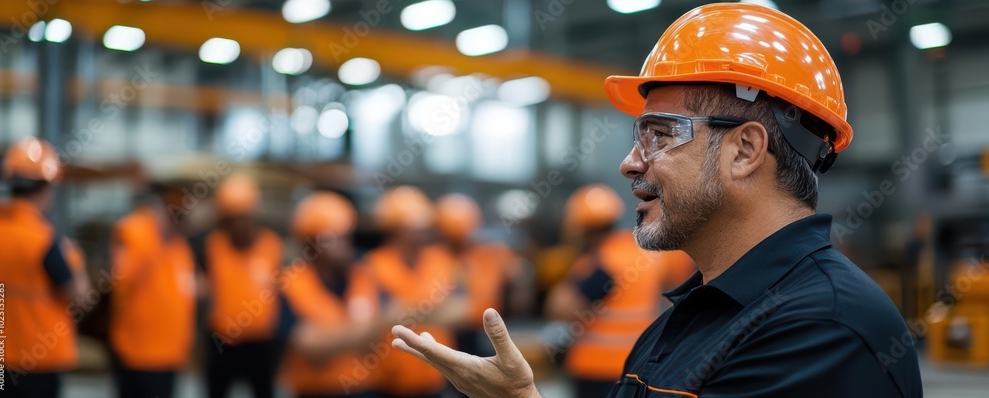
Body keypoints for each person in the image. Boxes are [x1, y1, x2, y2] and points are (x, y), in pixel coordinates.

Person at [388, 3, 923, 397]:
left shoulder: (822, 330)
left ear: (745, 151)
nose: (629, 163)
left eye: (659, 135)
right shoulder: (690, 319)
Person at [544, 184, 694, 397]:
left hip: (596, 368)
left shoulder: (601, 264)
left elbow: (559, 310)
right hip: (637, 364)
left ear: (580, 228)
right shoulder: (640, 253)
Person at [0, 137, 88, 398]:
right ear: (46, 188)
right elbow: (79, 296)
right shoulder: (44, 242)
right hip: (39, 360)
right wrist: (75, 258)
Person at [280, 191, 385, 398]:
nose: (347, 243)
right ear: (313, 242)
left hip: (366, 389)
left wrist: (334, 339)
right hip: (315, 391)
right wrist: (363, 333)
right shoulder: (292, 283)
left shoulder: (363, 276)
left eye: (348, 236)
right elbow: (309, 348)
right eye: (338, 237)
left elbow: (379, 340)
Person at [365, 186, 466, 398]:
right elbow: (379, 319)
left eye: (423, 223)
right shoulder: (373, 265)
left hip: (438, 374)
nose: (422, 229)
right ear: (394, 228)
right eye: (412, 224)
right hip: (387, 380)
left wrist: (403, 311)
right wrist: (435, 310)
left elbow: (461, 311)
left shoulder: (442, 259)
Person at [108, 184, 197, 398]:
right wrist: (158, 236)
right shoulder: (134, 231)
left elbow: (183, 287)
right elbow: (122, 280)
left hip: (170, 354)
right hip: (138, 354)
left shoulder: (179, 245)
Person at [201, 173, 284, 398]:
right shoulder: (212, 245)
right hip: (222, 342)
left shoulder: (271, 245)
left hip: (262, 343)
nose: (237, 224)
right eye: (231, 218)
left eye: (242, 216)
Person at [434, 193, 522, 358]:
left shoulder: (492, 253)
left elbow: (518, 287)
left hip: (485, 331)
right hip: (449, 334)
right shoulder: (434, 257)